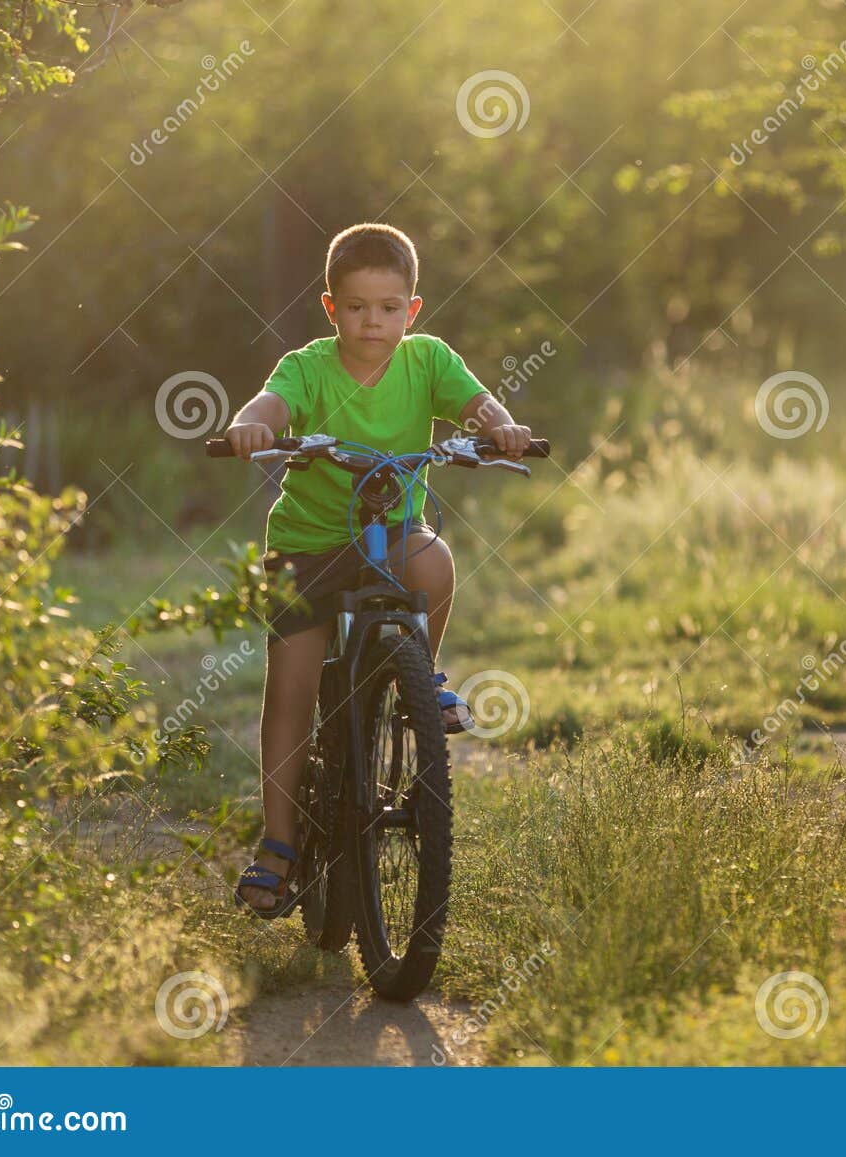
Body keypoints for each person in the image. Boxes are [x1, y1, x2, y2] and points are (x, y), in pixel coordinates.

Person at [221, 222, 531, 916]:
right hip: (310, 545)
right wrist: (252, 423)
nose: (374, 321)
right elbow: (271, 404)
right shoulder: (308, 366)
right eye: (357, 307)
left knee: (435, 560)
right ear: (332, 308)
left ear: (411, 310)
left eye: (389, 307)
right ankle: (278, 844)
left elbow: (475, 401)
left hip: (391, 535)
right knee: (292, 687)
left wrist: (499, 422)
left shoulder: (427, 360)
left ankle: (420, 673)